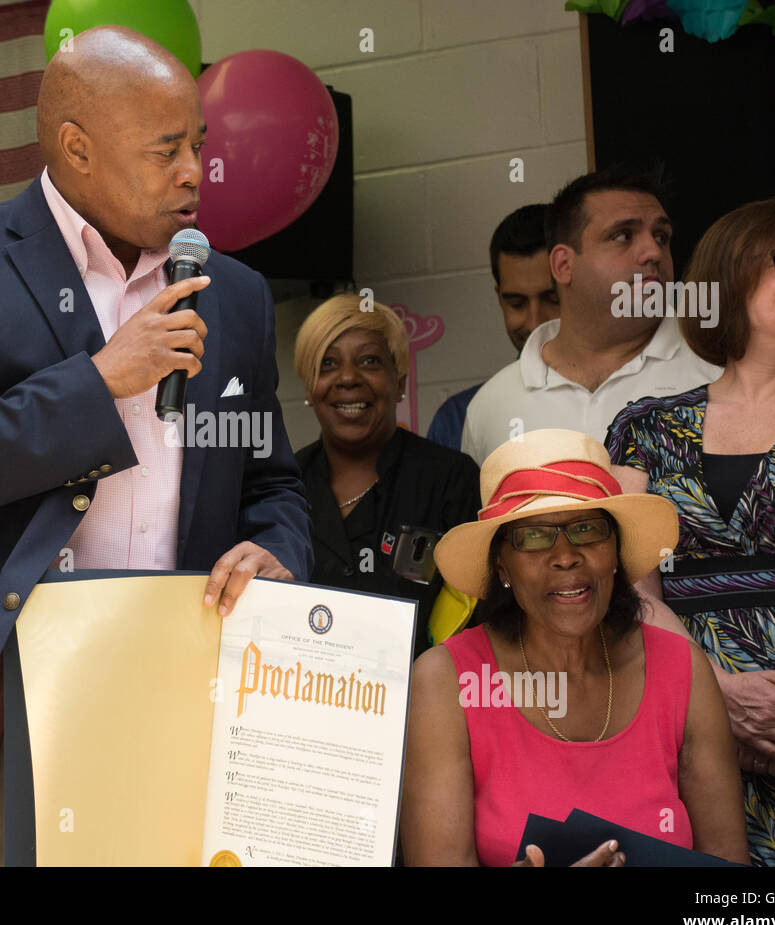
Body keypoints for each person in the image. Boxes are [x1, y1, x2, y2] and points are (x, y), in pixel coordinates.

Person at [0, 25, 312, 863]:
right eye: (165, 149)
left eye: (199, 146)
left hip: (193, 682)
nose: (193, 172)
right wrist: (97, 384)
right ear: (77, 147)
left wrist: (276, 553)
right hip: (21, 690)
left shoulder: (232, 292)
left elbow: (272, 482)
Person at [607, 198, 775, 866]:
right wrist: (714, 697)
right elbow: (628, 588)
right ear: (728, 283)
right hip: (683, 735)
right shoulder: (648, 430)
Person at [401, 428, 748, 866]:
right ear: (501, 563)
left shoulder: (682, 669)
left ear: (616, 551)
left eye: (586, 529)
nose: (566, 556)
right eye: (533, 535)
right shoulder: (448, 679)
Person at [460, 165, 720, 465]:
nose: (653, 252)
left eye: (661, 236)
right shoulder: (493, 404)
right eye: (623, 236)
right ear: (563, 265)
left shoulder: (720, 370)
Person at [294, 293, 479, 651]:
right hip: (302, 696)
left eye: (369, 361)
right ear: (309, 387)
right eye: (328, 364)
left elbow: (480, 619)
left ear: (398, 380)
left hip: (425, 700)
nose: (348, 378)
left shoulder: (450, 481)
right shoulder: (282, 487)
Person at [425, 204, 559, 449]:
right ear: (499, 299)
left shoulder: (629, 404)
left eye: (553, 299)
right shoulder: (458, 419)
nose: (535, 322)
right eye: (516, 303)